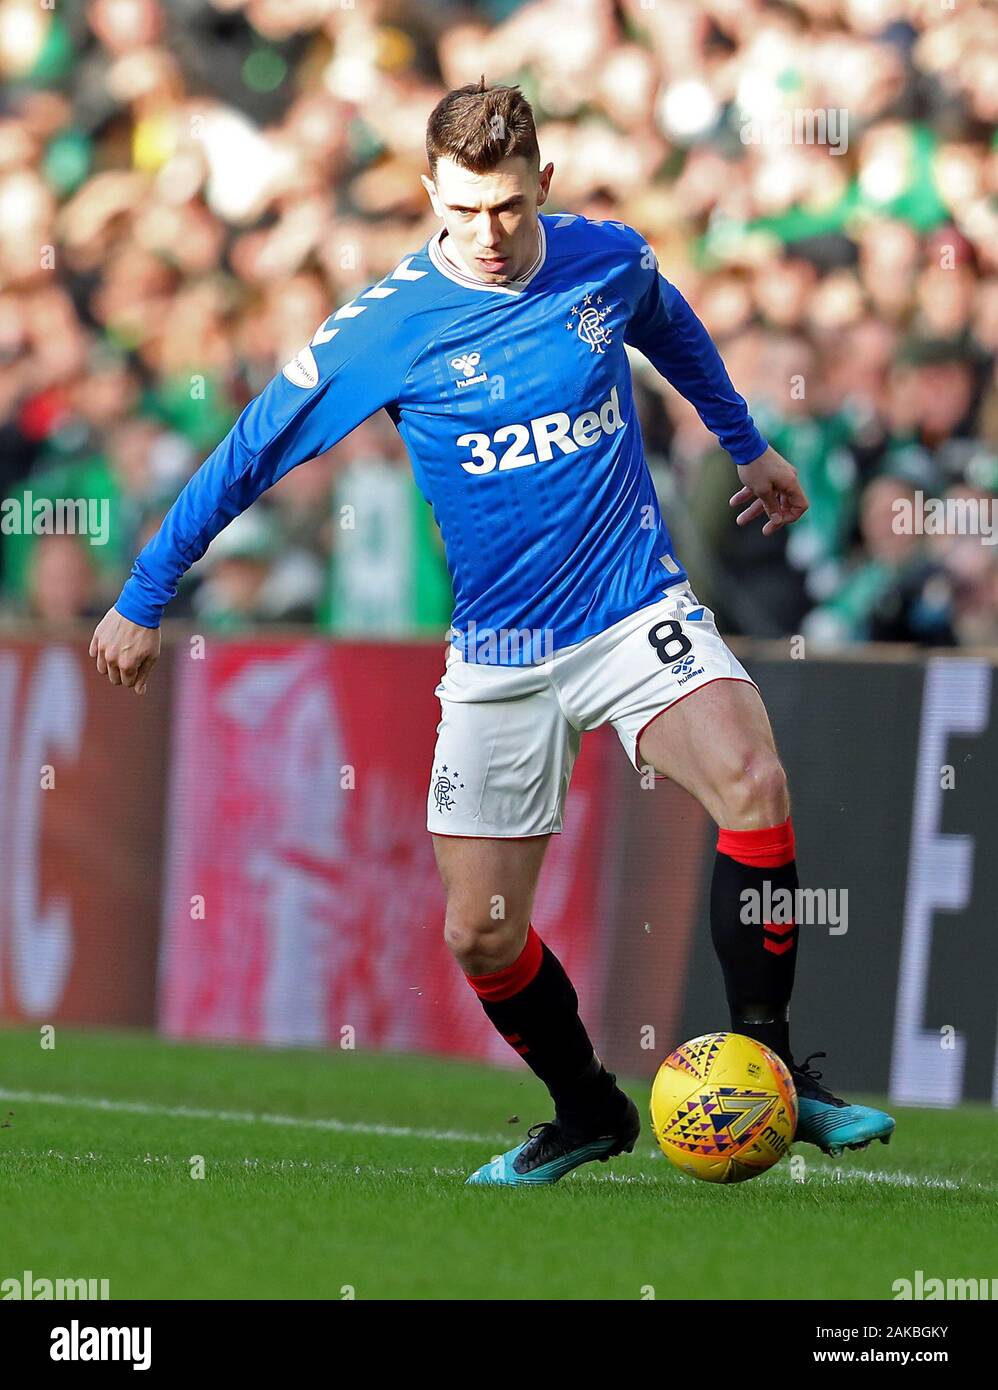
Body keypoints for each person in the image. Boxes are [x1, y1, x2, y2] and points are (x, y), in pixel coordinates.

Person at [90, 81, 895, 1185]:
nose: (488, 234)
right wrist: (145, 590)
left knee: (752, 781)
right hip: (499, 657)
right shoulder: (383, 329)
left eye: (510, 208)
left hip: (630, 609)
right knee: (479, 934)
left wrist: (744, 442)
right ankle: (586, 1110)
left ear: (543, 186)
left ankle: (767, 1061)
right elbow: (250, 449)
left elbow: (668, 319)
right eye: (464, 211)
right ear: (429, 194)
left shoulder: (602, 260)